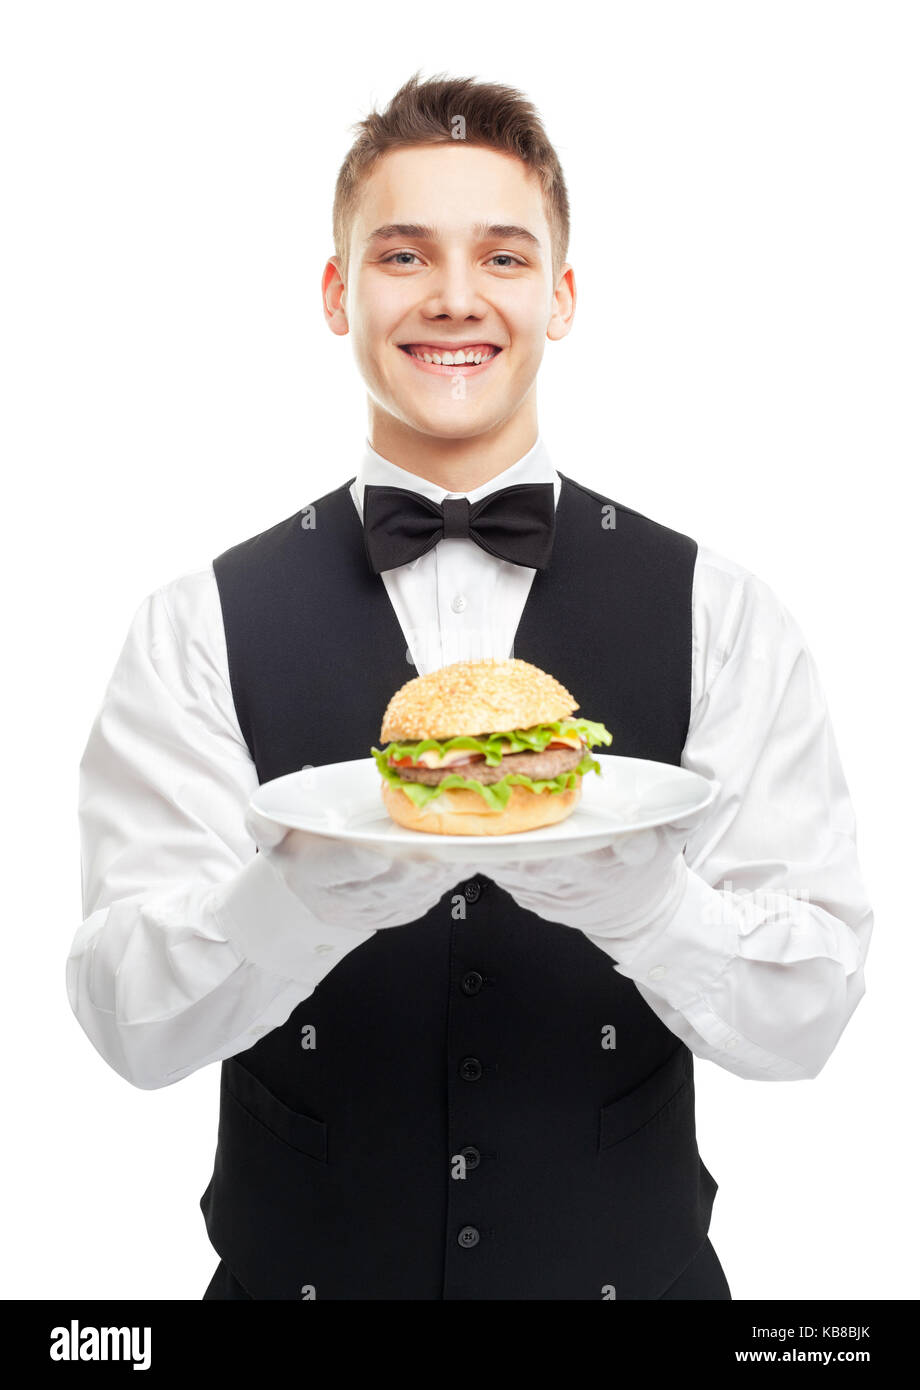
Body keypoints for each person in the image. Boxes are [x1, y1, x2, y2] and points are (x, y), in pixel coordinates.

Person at [67, 72, 874, 1301]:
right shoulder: (195, 621)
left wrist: (652, 907)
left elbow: (809, 1016)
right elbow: (129, 1025)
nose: (453, 296)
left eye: (502, 256)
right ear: (337, 292)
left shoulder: (723, 610)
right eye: (402, 253)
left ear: (558, 294)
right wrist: (292, 901)